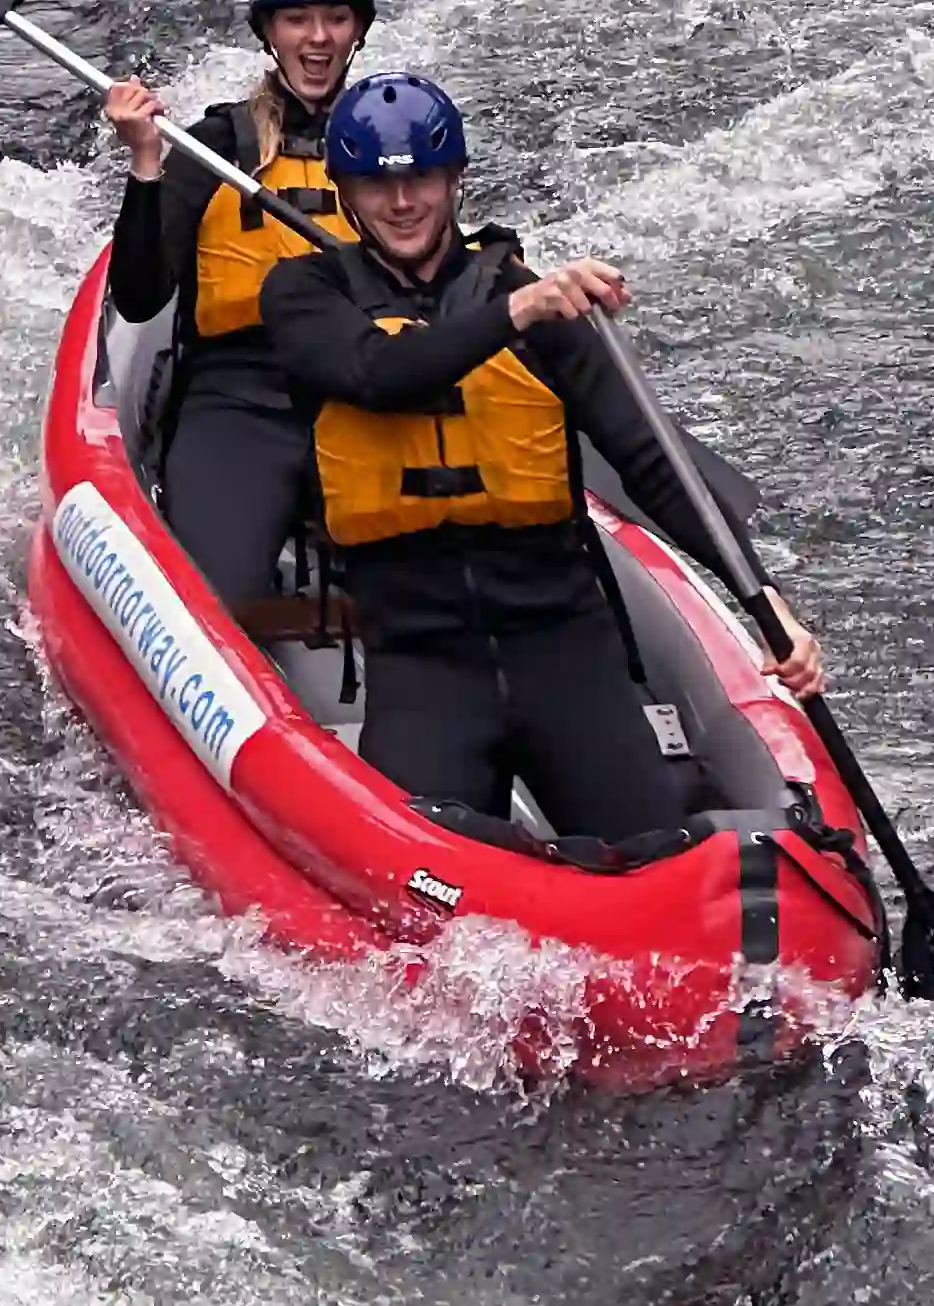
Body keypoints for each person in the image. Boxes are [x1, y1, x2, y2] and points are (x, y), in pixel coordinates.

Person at [258, 69, 826, 851]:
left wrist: (765, 603)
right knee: (419, 886)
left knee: (657, 862)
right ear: (346, 194)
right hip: (423, 658)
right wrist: (521, 308)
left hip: (562, 646)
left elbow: (649, 460)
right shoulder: (304, 296)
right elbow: (377, 377)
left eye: (421, 179)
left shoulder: (537, 305)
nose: (402, 204)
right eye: (376, 185)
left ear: (455, 179)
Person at [98, 0, 373, 606]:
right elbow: (137, 296)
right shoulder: (218, 145)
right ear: (268, 33)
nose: (317, 39)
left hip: (364, 389)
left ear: (358, 31)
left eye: (336, 19)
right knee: (216, 594)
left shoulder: (389, 145)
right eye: (296, 20)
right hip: (240, 398)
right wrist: (145, 164)